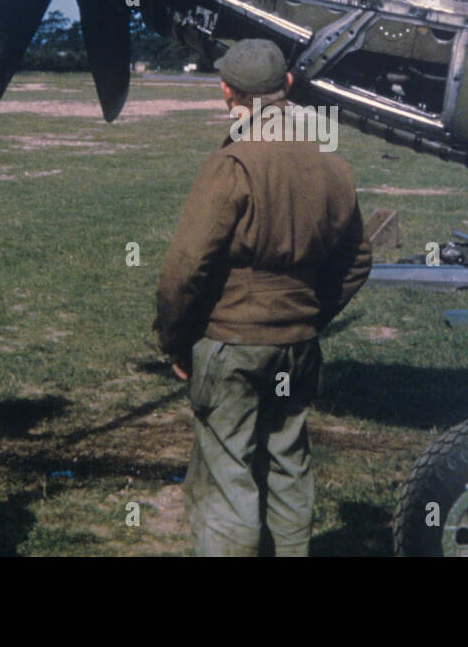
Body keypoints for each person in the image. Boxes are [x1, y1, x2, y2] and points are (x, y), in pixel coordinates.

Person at [153, 38, 372, 557]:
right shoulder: (332, 165)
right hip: (297, 346)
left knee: (228, 480)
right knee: (289, 468)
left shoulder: (232, 163)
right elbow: (358, 259)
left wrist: (175, 341)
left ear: (226, 90)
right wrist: (309, 315)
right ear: (288, 86)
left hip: (231, 341)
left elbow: (184, 269)